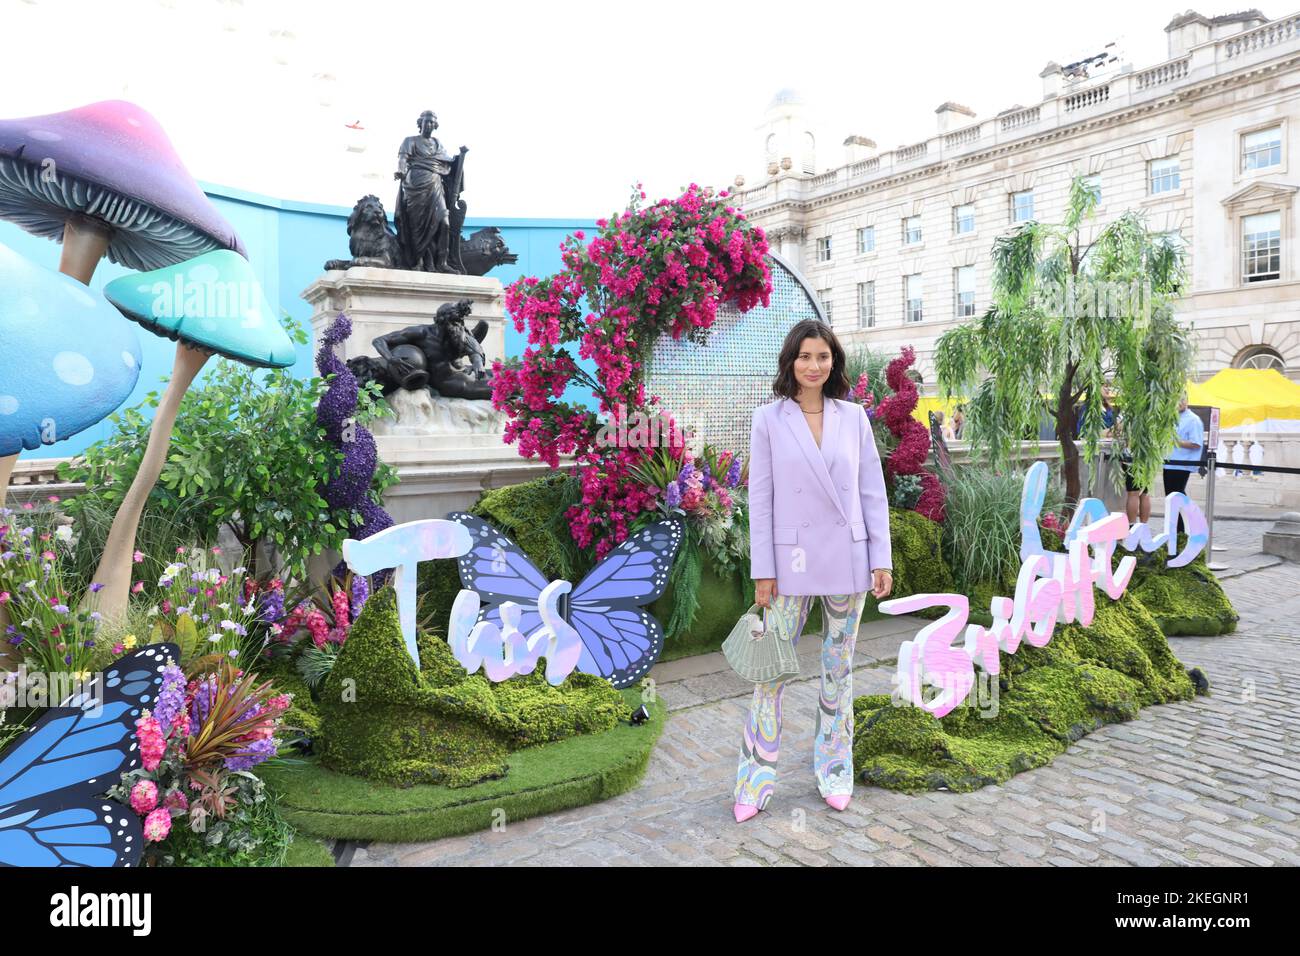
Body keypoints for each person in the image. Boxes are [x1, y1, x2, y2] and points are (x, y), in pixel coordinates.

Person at [736, 318, 892, 822]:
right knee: (770, 676)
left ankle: (834, 772)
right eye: (805, 356)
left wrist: (880, 557)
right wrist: (764, 569)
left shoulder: (854, 418)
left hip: (849, 559)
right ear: (791, 361)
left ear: (834, 362)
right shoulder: (768, 419)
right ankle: (754, 782)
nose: (813, 365)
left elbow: (873, 491)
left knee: (839, 672)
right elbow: (760, 501)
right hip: (789, 563)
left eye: (823, 356)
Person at [1165, 393, 1204, 535]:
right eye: (1176, 400)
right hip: (1169, 463)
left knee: (1177, 496)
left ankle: (1182, 529)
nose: (1179, 403)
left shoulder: (1193, 420)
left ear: (1187, 401)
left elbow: (1196, 443)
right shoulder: (1173, 417)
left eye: (1182, 400)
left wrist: (1174, 441)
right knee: (1171, 497)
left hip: (1182, 464)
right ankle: (1177, 529)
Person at [1113, 410, 1149, 525]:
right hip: (1147, 456)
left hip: (1131, 457)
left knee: (1133, 493)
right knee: (1145, 493)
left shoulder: (1125, 414)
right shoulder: (1148, 410)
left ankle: (1132, 525)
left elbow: (1118, 432)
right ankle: (1144, 526)